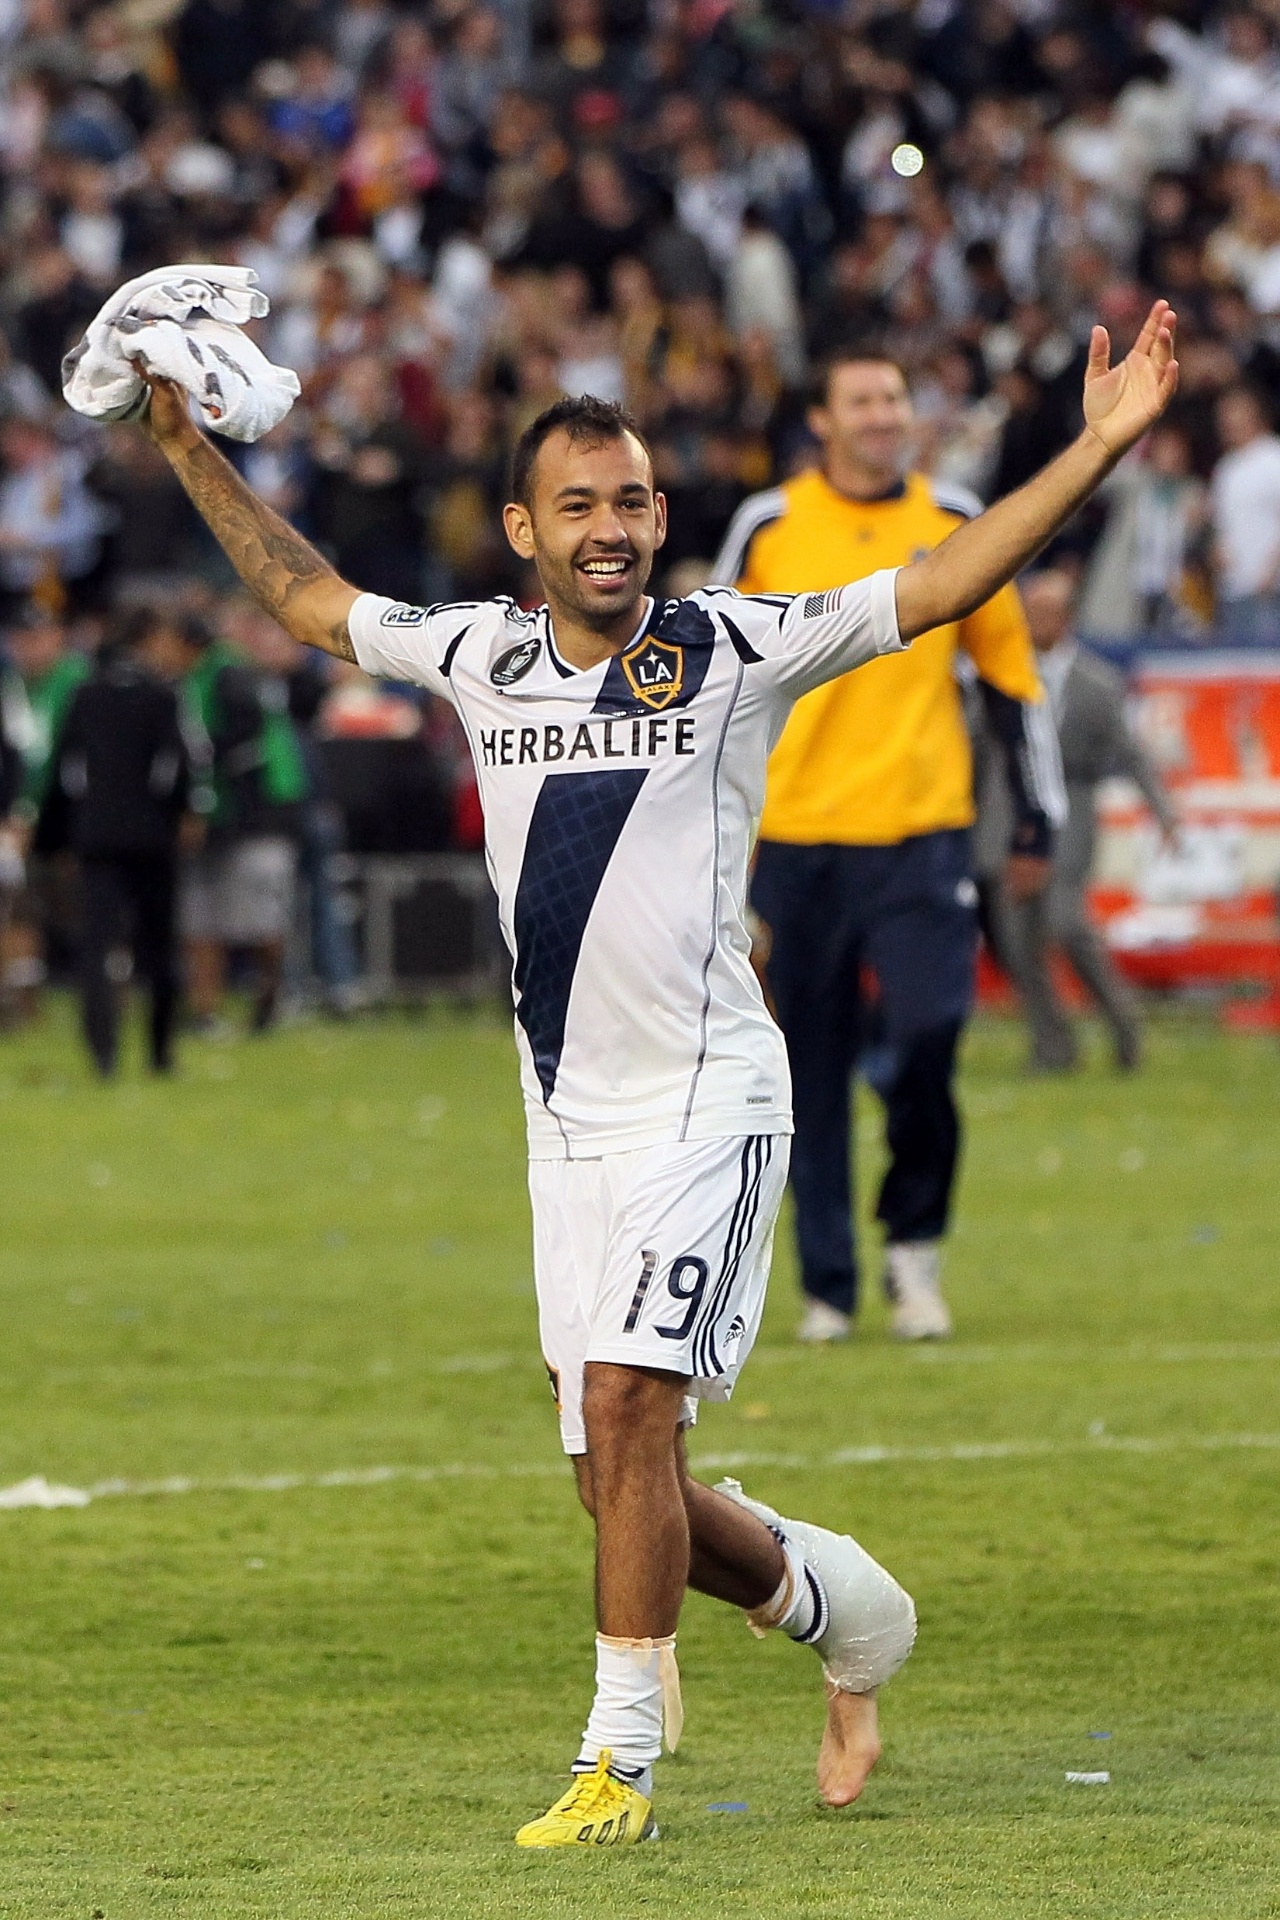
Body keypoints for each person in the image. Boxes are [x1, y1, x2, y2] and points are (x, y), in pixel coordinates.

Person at [130, 298, 1179, 1845]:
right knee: (622, 1482)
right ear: (521, 530)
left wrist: (1091, 445)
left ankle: (617, 1759)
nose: (609, 530)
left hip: (709, 1102)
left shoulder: (735, 644)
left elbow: (946, 581)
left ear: (662, 517)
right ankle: (848, 1611)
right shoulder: (480, 655)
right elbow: (306, 598)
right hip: (568, 1125)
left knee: (628, 1405)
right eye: (577, 507)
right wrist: (186, 447)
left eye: (630, 502)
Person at [710, 350, 1065, 1346]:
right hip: (796, 839)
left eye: (893, 400)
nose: (880, 416)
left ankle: (913, 1247)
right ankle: (828, 1283)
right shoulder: (768, 525)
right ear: (819, 419)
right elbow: (711, 680)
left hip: (920, 833)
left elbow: (1009, 678)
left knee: (926, 1036)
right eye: (859, 399)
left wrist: (1034, 814)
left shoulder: (952, 519)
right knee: (804, 1071)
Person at [987, 565, 1178, 1073]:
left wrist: (1163, 812)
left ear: (1068, 618)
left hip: (1071, 813)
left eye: (1046, 613)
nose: (1036, 623)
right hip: (1008, 816)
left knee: (1067, 923)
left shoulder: (1098, 683)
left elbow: (1131, 754)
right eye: (1029, 613)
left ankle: (1122, 1020)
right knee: (1015, 938)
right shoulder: (1000, 674)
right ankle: (1053, 1044)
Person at [52, 608, 205, 1076]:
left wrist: (64, 834)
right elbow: (181, 765)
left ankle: (103, 1056)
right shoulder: (164, 695)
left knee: (98, 946)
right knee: (158, 945)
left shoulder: (83, 695)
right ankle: (160, 1054)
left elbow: (66, 771)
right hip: (152, 839)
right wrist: (181, 815)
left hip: (97, 838)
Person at [177, 612, 309, 1034]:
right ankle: (206, 1011)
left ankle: (271, 994)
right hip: (223, 813)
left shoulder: (228, 675)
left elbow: (237, 746)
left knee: (258, 920)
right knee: (202, 918)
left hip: (255, 813)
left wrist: (198, 799)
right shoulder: (212, 673)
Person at [1211, 384, 1280, 644]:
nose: (1225, 420)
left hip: (1269, 591)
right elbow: (1222, 527)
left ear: (1253, 413)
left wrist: (1273, 569)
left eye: (1233, 411)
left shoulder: (1274, 458)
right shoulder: (1226, 468)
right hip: (1232, 590)